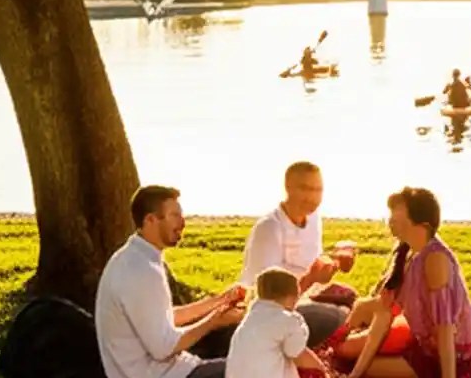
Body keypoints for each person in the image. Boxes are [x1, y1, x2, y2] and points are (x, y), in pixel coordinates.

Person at [338, 187, 471, 378]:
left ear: (422, 223)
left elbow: (445, 330)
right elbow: (382, 320)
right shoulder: (405, 255)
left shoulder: (435, 259)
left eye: (398, 211)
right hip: (428, 349)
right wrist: (355, 374)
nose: (391, 219)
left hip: (461, 353)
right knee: (369, 370)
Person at [95, 185, 246, 378]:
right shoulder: (139, 270)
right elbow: (163, 348)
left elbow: (161, 318)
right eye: (174, 215)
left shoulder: (137, 258)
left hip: (175, 370)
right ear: (150, 220)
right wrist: (214, 321)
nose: (183, 223)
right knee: (259, 369)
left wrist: (220, 301)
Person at [240, 162, 354, 349]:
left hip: (305, 298)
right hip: (270, 315)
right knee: (340, 316)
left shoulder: (314, 218)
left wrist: (335, 260)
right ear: (288, 188)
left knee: (351, 299)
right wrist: (311, 278)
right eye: (305, 189)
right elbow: (266, 300)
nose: (312, 197)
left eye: (318, 190)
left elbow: (311, 260)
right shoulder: (269, 228)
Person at [226, 267, 331, 378]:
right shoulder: (287, 320)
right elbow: (299, 354)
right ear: (292, 297)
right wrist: (322, 370)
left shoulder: (249, 321)